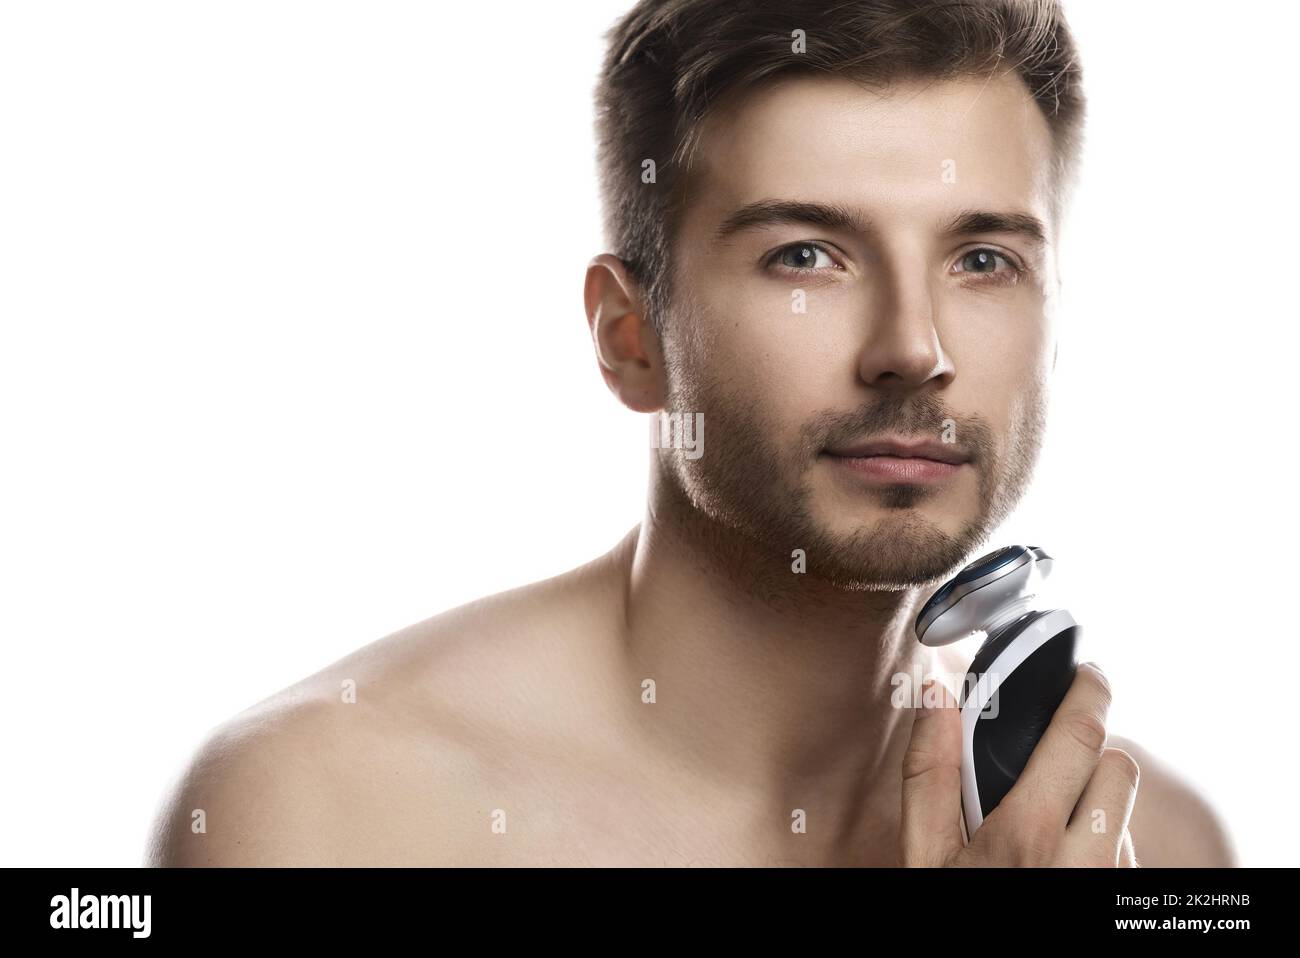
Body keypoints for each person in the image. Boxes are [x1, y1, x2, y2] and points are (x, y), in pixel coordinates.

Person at [146, 0, 1236, 867]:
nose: (914, 346)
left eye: (983, 259)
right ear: (631, 338)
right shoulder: (335, 816)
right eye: (806, 255)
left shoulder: (1146, 851)